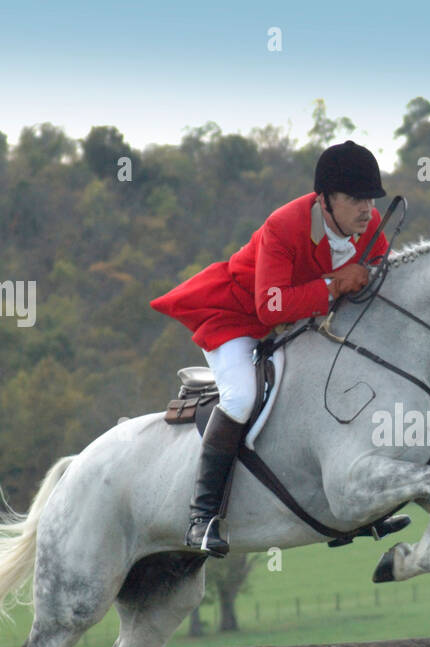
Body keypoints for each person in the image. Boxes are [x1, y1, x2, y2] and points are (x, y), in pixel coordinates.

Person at [150, 140, 391, 555]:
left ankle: (353, 507)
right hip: (236, 317)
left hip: (295, 323)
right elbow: (270, 305)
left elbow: (376, 277)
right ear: (326, 201)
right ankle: (202, 517)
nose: (366, 209)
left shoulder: (367, 226)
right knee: (241, 398)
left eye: (369, 198)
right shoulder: (285, 225)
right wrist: (335, 285)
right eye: (355, 199)